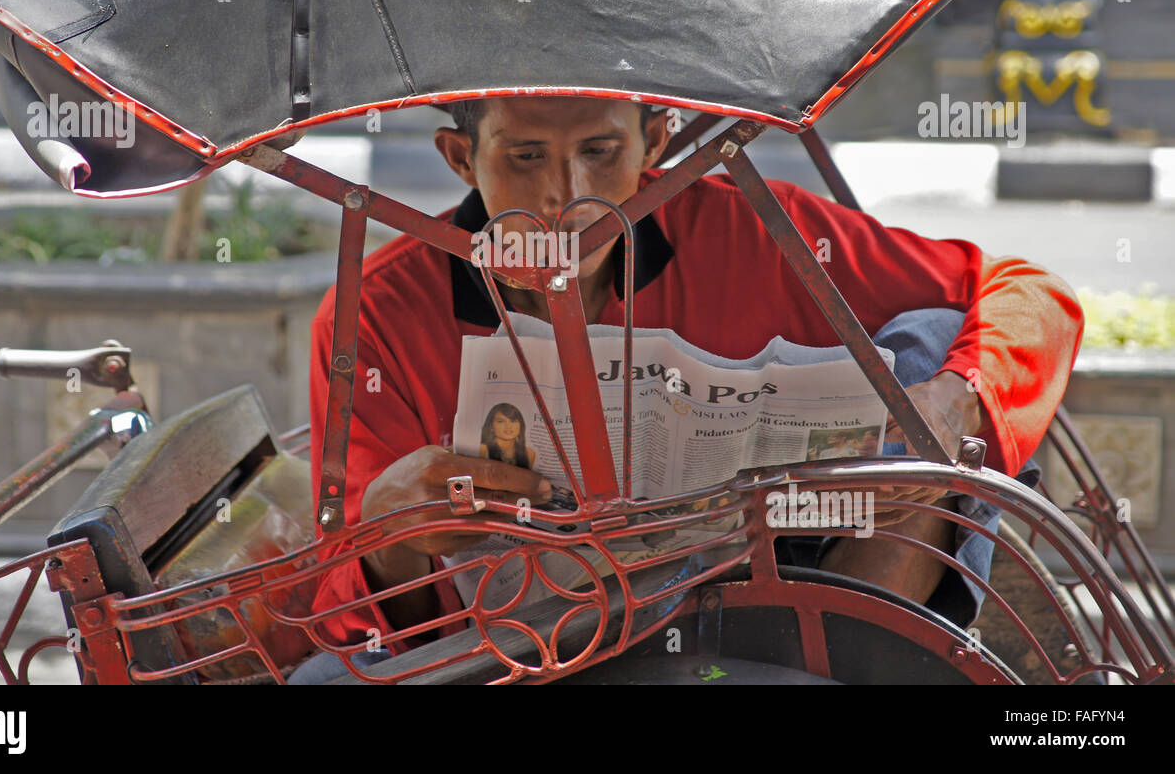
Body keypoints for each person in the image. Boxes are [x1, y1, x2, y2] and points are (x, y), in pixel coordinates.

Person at [300, 96, 1083, 676]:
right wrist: (392, 534)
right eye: (525, 156)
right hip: (514, 656)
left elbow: (1026, 292)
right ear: (459, 158)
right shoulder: (375, 314)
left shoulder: (751, 230)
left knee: (932, 346)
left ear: (657, 142)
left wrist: (957, 397)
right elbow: (353, 619)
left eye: (601, 151)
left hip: (743, 634)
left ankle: (843, 662)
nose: (564, 199)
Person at [479, 403, 536, 469]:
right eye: (501, 421)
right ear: (491, 426)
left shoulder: (529, 453)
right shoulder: (483, 449)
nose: (508, 426)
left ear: (521, 425)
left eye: (513, 421)